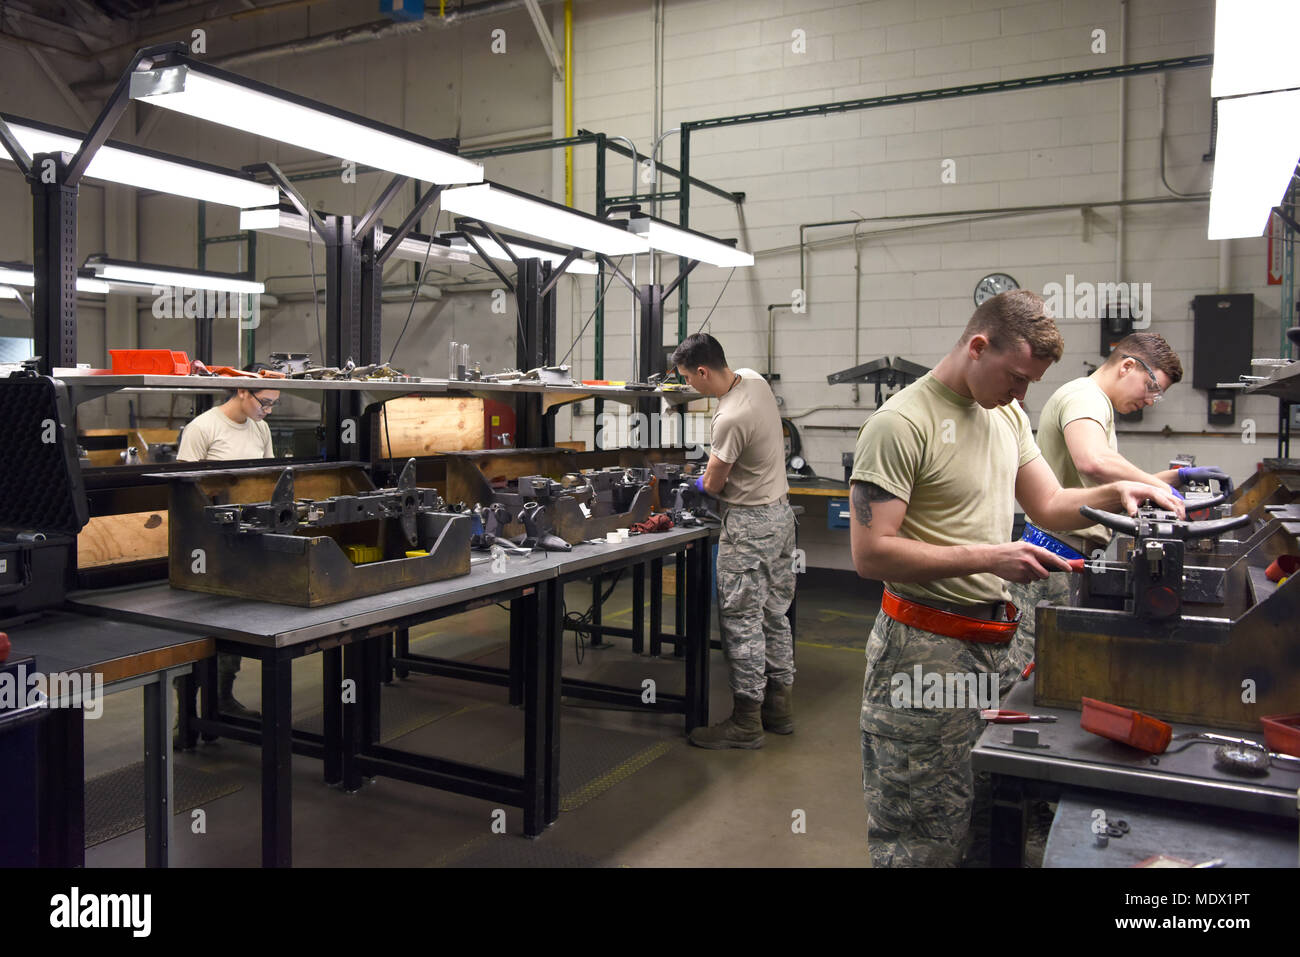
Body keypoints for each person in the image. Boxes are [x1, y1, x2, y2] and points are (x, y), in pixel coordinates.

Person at [849, 290, 1183, 867]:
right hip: (923, 653)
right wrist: (990, 557)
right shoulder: (901, 424)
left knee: (981, 809)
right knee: (920, 832)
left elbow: (1050, 503)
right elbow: (871, 554)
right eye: (1016, 376)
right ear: (978, 347)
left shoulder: (1004, 413)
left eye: (1031, 382)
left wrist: (1118, 493)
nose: (1023, 393)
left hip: (990, 648)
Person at [1005, 333, 1228, 680]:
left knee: (1050, 670)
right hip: (1055, 563)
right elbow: (1093, 461)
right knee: (1034, 675)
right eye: (1152, 387)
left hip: (1066, 558)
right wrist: (1157, 487)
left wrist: (1177, 477)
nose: (1152, 400)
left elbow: (1112, 490)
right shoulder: (1085, 397)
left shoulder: (1093, 401)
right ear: (1127, 366)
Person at [671, 333, 796, 749]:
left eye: (690, 379)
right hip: (781, 517)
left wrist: (694, 482)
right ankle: (778, 709)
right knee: (774, 614)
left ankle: (746, 723)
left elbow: (714, 482)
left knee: (741, 621)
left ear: (703, 371)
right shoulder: (753, 380)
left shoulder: (729, 418)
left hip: (749, 525)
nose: (691, 387)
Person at [176, 377, 281, 725]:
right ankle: (186, 716)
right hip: (207, 544)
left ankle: (221, 699)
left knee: (234, 625)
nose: (266, 411)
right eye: (263, 402)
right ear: (241, 390)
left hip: (246, 540)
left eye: (271, 405)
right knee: (199, 629)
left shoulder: (259, 428)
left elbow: (268, 479)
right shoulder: (203, 428)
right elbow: (185, 491)